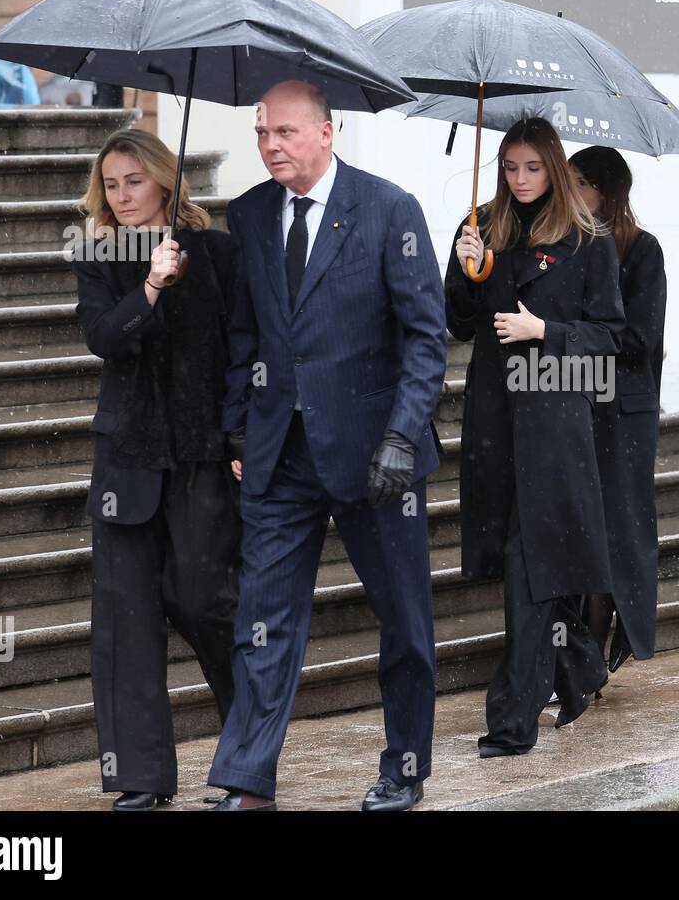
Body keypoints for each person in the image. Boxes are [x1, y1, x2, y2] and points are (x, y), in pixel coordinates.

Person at [207, 80, 446, 811]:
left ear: (327, 131)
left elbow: (426, 337)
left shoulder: (389, 210)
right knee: (263, 620)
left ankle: (404, 766)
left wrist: (402, 436)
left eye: (284, 132)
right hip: (281, 456)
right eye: (260, 133)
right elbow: (243, 332)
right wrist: (239, 427)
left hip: (378, 456)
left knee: (404, 620)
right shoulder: (247, 215)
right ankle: (248, 781)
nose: (270, 145)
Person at [72, 129, 240, 811]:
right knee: (126, 618)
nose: (122, 195)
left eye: (133, 181)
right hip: (128, 457)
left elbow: (239, 350)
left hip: (200, 453)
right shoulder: (99, 256)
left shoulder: (219, 252)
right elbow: (103, 339)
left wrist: (242, 436)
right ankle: (140, 775)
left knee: (207, 601)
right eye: (111, 185)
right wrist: (148, 287)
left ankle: (250, 748)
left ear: (165, 182)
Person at [446, 117, 625, 756]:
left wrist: (544, 331)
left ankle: (512, 720)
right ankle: (579, 660)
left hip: (554, 419)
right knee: (519, 562)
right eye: (510, 168)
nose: (520, 180)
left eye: (532, 168)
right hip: (494, 419)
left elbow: (610, 338)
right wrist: (468, 277)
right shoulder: (478, 228)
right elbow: (459, 325)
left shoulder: (588, 241)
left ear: (552, 167)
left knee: (532, 562)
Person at [568, 145, 667, 673]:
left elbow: (641, 338)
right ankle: (584, 653)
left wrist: (585, 333)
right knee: (585, 528)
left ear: (606, 192)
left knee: (621, 527)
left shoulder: (641, 251)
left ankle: (610, 638)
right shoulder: (567, 247)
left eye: (580, 182)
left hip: (625, 410)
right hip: (575, 400)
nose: (572, 192)